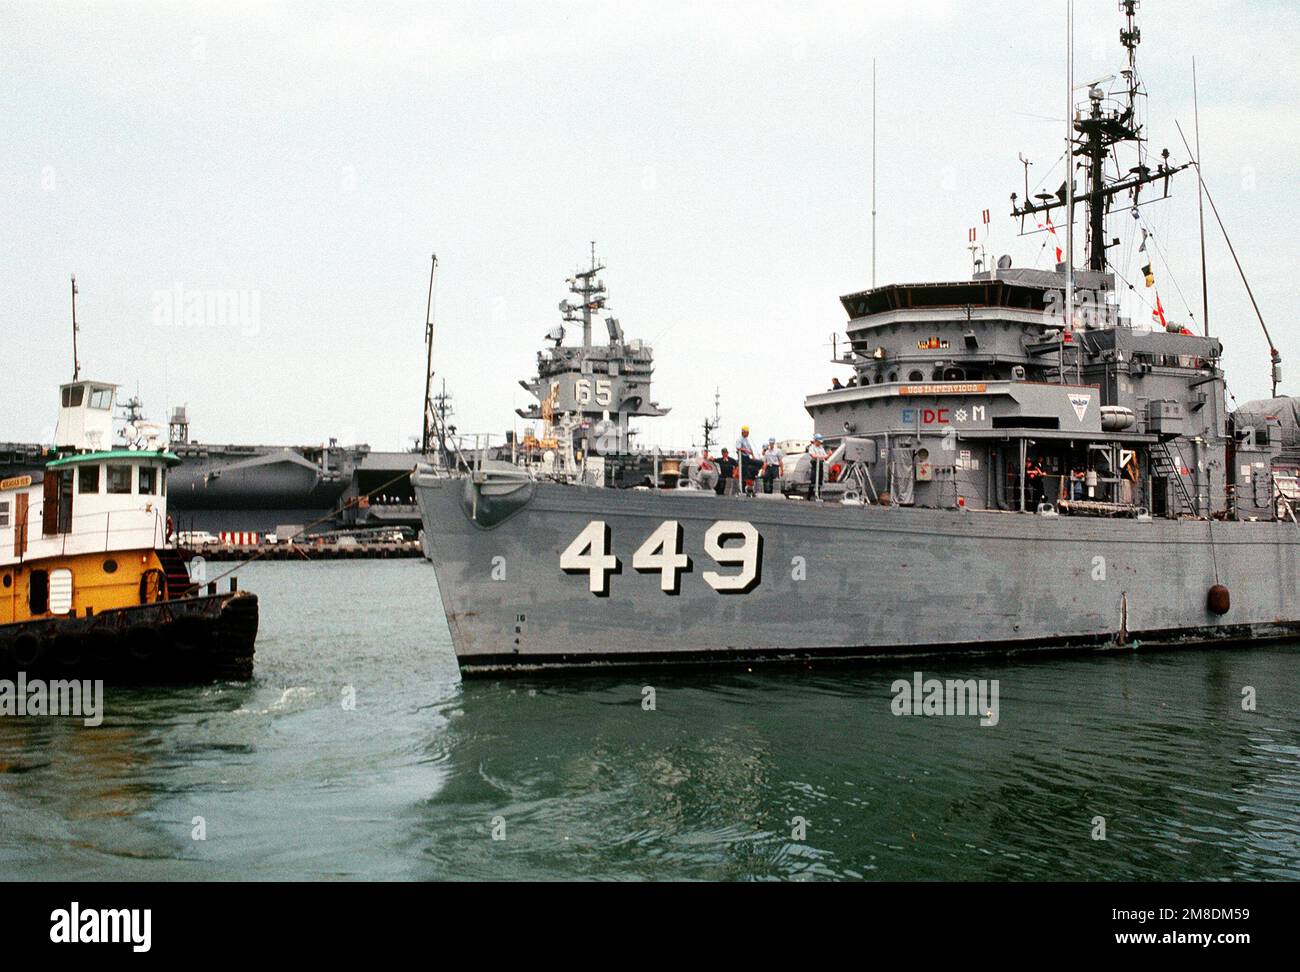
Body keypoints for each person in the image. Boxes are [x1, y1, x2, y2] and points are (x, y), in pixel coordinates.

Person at [736, 426, 760, 492]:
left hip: (747, 457)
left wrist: (753, 456)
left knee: (759, 463)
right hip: (742, 458)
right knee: (743, 473)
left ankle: (753, 476)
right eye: (747, 432)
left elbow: (750, 448)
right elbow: (738, 448)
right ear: (743, 432)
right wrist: (745, 450)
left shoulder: (746, 440)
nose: (748, 434)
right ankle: (742, 489)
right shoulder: (740, 439)